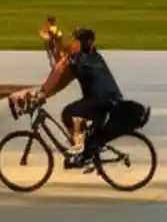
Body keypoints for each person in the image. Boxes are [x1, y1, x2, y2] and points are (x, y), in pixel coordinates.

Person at [33, 28, 125, 168]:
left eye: (75, 41)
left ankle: (79, 151)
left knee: (69, 113)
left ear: (82, 43)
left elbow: (59, 71)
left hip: (101, 101)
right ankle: (83, 151)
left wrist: (43, 91)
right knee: (81, 119)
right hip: (111, 100)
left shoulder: (80, 59)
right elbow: (62, 73)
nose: (73, 44)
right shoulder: (94, 56)